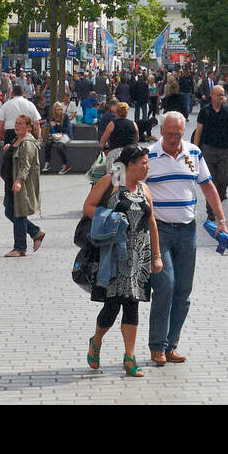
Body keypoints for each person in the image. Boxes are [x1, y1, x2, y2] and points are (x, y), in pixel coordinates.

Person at [146, 111, 227, 367]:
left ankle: (171, 346)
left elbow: (207, 186)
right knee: (165, 286)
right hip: (158, 231)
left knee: (183, 291)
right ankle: (157, 346)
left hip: (187, 230)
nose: (173, 139)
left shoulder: (193, 153)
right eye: (169, 134)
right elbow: (131, 184)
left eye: (177, 135)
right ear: (161, 131)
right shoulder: (148, 156)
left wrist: (221, 219)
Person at [84, 144, 162, 377]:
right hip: (113, 255)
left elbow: (152, 223)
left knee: (132, 304)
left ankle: (130, 358)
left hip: (139, 258)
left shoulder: (144, 189)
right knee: (112, 306)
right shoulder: (111, 181)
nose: (147, 167)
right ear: (130, 164)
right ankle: (96, 341)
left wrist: (156, 256)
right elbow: (88, 207)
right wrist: (110, 217)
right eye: (144, 163)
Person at [1, 114, 43, 257]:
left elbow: (26, 165)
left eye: (21, 124)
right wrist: (9, 149)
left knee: (18, 213)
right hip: (10, 182)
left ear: (29, 127)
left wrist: (19, 181)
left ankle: (19, 248)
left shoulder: (27, 143)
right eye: (16, 123)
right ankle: (36, 232)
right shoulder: (16, 140)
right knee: (10, 211)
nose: (17, 126)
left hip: (19, 184)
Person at [192, 85, 228, 204]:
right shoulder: (205, 111)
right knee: (210, 180)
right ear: (211, 95)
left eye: (222, 95)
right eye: (218, 95)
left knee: (224, 180)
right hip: (208, 149)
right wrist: (195, 149)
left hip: (223, 150)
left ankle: (219, 199)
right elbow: (198, 131)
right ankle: (210, 208)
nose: (221, 97)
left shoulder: (227, 110)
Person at [41, 102, 73, 174]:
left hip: (65, 135)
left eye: (61, 109)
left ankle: (66, 164)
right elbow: (53, 131)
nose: (60, 111)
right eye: (58, 110)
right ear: (55, 110)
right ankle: (47, 163)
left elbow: (65, 129)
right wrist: (52, 128)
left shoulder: (66, 117)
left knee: (59, 146)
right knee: (48, 143)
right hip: (56, 135)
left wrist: (56, 125)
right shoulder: (53, 118)